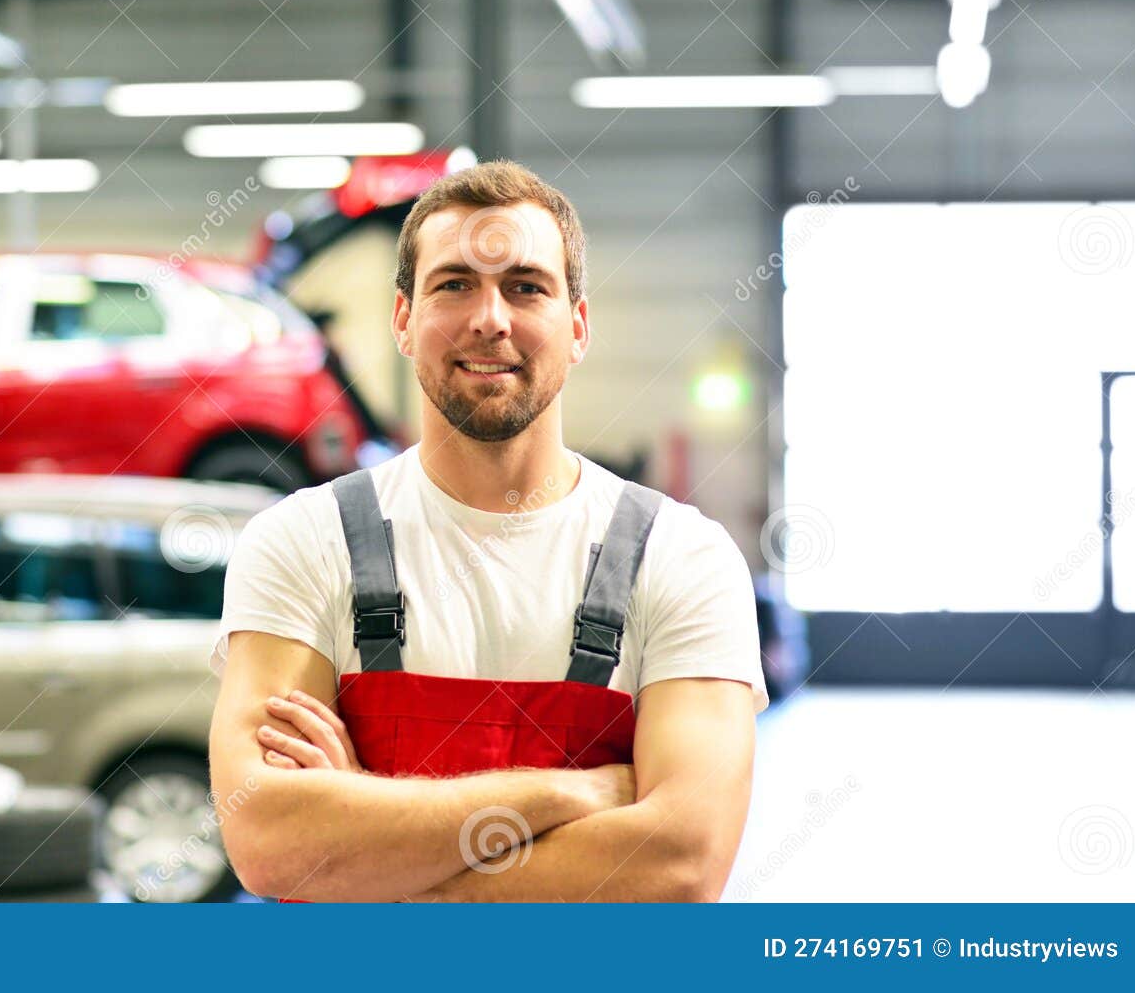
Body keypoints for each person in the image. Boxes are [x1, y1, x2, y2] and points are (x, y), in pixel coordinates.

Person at [208, 159, 766, 902]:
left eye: (526, 287)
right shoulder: (303, 542)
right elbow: (272, 843)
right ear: (404, 321)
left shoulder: (681, 557)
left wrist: (377, 866)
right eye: (454, 284)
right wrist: (570, 798)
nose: (490, 319)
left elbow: (681, 866)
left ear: (577, 326)